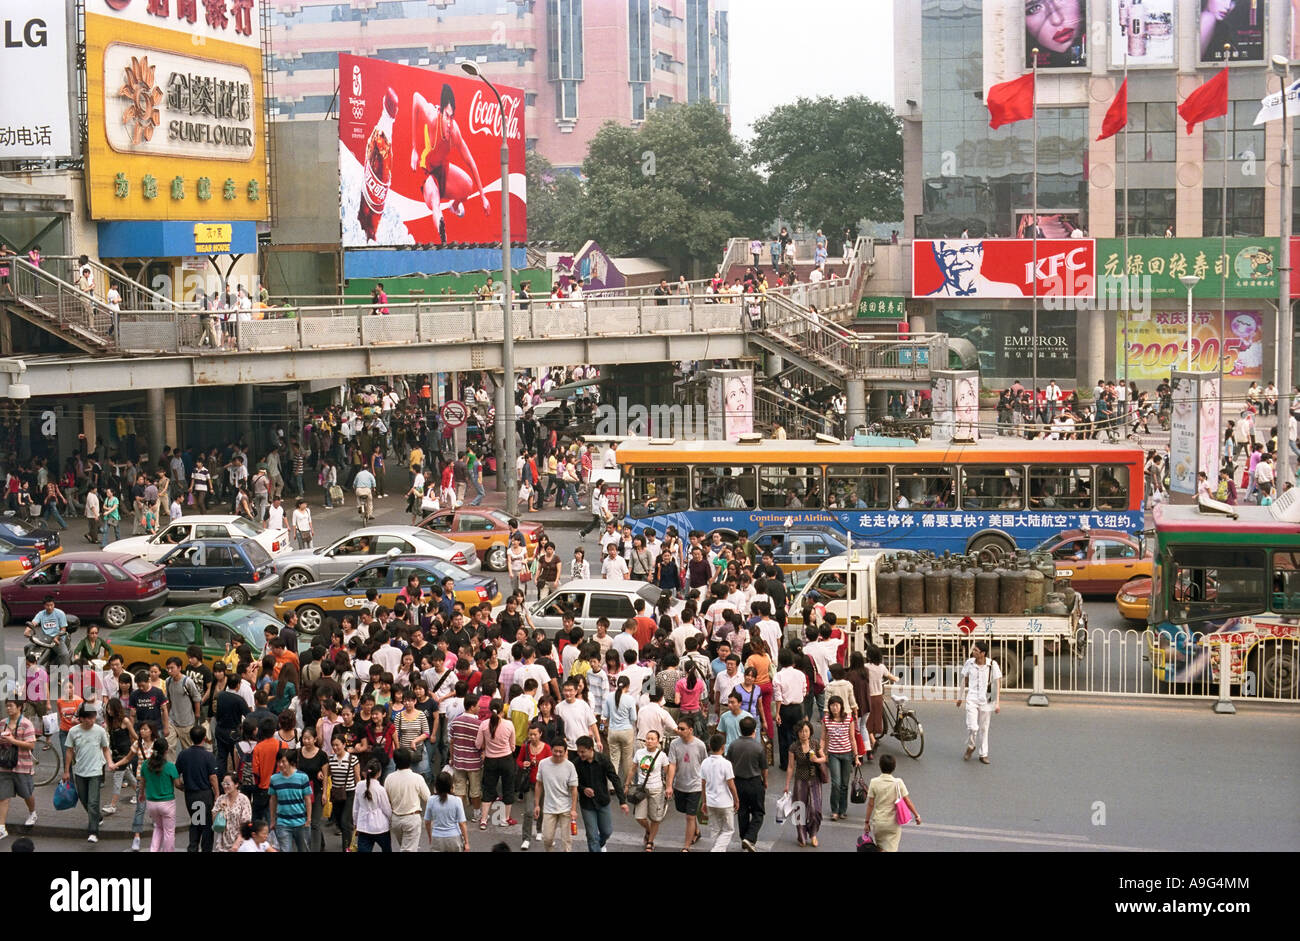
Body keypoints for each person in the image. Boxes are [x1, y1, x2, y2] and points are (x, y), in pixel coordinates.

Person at [63, 704, 111, 843]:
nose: (92, 721)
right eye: (89, 718)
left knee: (93, 801)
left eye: (93, 718)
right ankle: (98, 817)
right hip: (80, 771)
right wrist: (66, 771)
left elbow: (105, 748)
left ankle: (93, 832)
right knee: (84, 799)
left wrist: (109, 763)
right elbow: (69, 751)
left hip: (96, 771)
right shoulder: (73, 731)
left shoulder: (99, 731)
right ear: (81, 719)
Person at [573, 735, 628, 853]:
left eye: (583, 752)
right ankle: (596, 848)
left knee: (607, 831)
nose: (580, 754)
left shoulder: (603, 760)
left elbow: (615, 779)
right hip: (587, 804)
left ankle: (600, 844)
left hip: (603, 801)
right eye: (578, 752)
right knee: (592, 836)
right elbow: (573, 782)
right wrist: (583, 789)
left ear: (591, 749)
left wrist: (622, 801)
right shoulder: (577, 763)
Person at [665, 717, 707, 852]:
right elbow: (672, 764)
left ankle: (686, 846)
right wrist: (669, 785)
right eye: (678, 728)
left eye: (682, 729)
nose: (679, 731)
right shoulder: (674, 744)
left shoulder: (700, 745)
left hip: (695, 786)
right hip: (680, 785)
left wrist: (706, 786)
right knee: (686, 812)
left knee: (690, 816)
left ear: (691, 730)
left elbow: (705, 765)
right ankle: (696, 831)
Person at [864, 753, 921, 852]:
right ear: (894, 767)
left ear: (880, 766)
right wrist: (916, 815)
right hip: (893, 823)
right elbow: (907, 801)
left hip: (879, 823)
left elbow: (870, 804)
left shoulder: (874, 782)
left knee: (880, 848)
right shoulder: (898, 782)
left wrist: (867, 822)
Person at [956, 640, 1001, 764]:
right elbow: (964, 680)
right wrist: (959, 697)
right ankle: (971, 746)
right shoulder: (969, 663)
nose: (973, 652)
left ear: (983, 653)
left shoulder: (992, 665)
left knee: (984, 728)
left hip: (986, 699)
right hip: (971, 698)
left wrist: (997, 702)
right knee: (973, 727)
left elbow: (997, 684)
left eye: (976, 650)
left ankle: (983, 754)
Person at [176, 725, 220, 852]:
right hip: (204, 796)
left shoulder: (183, 755)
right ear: (204, 738)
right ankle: (201, 848)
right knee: (205, 825)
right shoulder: (208, 756)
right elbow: (213, 777)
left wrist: (181, 786)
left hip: (190, 795)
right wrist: (217, 794)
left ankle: (193, 847)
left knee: (196, 822)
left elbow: (176, 776)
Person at [784, 719, 826, 848]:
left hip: (814, 779)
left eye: (806, 731)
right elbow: (791, 766)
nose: (804, 734)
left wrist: (817, 760)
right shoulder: (794, 747)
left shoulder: (814, 744)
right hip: (800, 780)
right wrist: (787, 784)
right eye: (801, 731)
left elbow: (824, 758)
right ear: (798, 733)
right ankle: (801, 836)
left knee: (816, 809)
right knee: (799, 808)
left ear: (810, 732)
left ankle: (813, 834)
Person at [0, 700, 38, 841]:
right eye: (7, 706)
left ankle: (32, 812)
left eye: (11, 706)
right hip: (5, 765)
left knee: (26, 793)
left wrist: (12, 741)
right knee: (3, 796)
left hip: (22, 765)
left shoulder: (26, 724)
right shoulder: (3, 723)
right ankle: (1, 827)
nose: (8, 708)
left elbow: (31, 745)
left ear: (20, 707)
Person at [728, 715, 766, 852]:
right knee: (758, 812)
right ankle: (749, 838)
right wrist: (765, 782)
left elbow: (729, 764)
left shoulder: (733, 745)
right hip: (755, 782)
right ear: (754, 730)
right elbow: (764, 768)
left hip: (738, 782)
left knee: (742, 811)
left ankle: (744, 838)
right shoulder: (758, 747)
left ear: (740, 729)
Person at [535, 739, 579, 852]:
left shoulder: (570, 766)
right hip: (549, 807)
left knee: (566, 840)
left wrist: (573, 809)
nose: (558, 754)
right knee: (547, 838)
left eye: (561, 752)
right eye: (555, 751)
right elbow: (539, 785)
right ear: (551, 750)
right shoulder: (543, 764)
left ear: (565, 751)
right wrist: (537, 805)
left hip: (566, 808)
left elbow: (574, 789)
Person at [820, 695, 859, 821]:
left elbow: (852, 738)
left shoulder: (848, 719)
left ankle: (843, 810)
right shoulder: (826, 720)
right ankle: (834, 810)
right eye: (832, 705)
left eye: (837, 705)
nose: (834, 708)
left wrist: (856, 756)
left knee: (844, 784)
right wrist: (821, 752)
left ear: (841, 706)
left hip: (847, 754)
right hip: (833, 754)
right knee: (836, 783)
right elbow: (822, 738)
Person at [139, 739, 182, 853]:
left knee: (158, 828)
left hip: (151, 803)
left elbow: (142, 782)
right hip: (167, 803)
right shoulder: (170, 766)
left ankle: (153, 850)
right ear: (166, 751)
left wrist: (141, 794)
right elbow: (178, 785)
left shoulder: (145, 765)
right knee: (169, 832)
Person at [699, 732, 738, 852]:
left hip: (711, 802)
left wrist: (704, 802)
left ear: (710, 746)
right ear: (723, 747)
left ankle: (719, 849)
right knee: (728, 830)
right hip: (725, 802)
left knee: (715, 830)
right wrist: (736, 799)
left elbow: (703, 784)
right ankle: (716, 850)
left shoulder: (705, 763)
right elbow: (731, 785)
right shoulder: (726, 764)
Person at [423, 770, 471, 852]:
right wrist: (466, 843)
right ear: (451, 785)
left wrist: (431, 837)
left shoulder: (431, 800)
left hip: (437, 837)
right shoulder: (457, 800)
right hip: (454, 838)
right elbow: (462, 823)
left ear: (436, 786)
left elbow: (427, 822)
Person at [352, 759, 393, 852]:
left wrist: (355, 823)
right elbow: (386, 808)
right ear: (379, 773)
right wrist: (391, 820)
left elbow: (356, 807)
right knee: (387, 849)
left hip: (363, 826)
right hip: (380, 826)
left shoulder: (359, 785)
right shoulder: (380, 789)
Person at [212, 773, 252, 853]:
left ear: (236, 784)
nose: (225, 786)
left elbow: (246, 824)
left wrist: (237, 843)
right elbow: (214, 820)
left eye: (228, 784)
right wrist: (221, 809)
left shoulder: (243, 799)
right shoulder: (221, 799)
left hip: (240, 843)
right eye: (223, 783)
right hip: (223, 844)